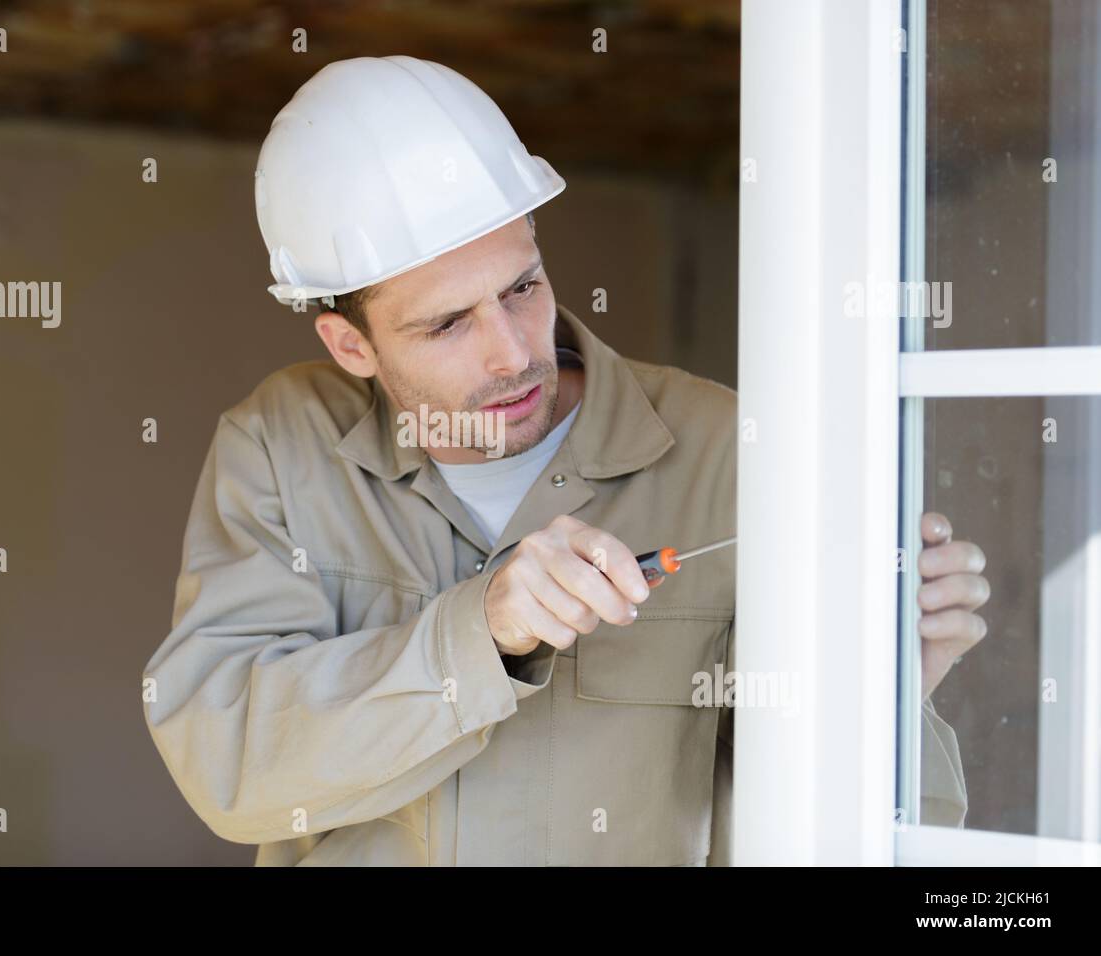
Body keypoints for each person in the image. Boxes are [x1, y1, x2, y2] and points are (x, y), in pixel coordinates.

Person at [142, 56, 989, 865]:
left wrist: (885, 697)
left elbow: (814, 828)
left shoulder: (727, 451)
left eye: (522, 288)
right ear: (349, 344)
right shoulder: (281, 444)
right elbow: (229, 767)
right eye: (447, 324)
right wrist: (481, 634)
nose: (513, 353)